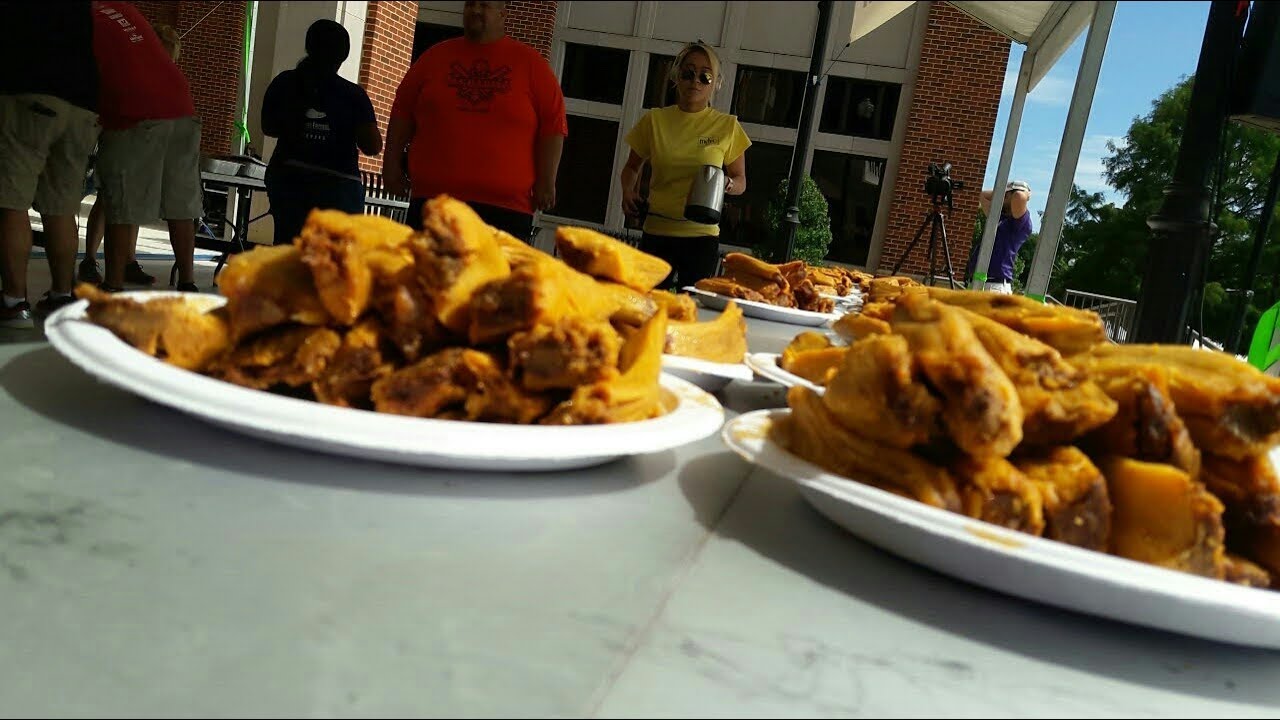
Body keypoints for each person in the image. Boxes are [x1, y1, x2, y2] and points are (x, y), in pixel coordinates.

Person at [384, 0, 566, 241]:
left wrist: (547, 180)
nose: (475, 11)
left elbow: (553, 126)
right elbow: (402, 114)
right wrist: (390, 165)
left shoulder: (532, 65)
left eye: (484, 5)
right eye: (470, 4)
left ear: (502, 14)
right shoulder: (434, 58)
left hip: (505, 209)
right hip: (435, 201)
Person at [619, 41, 750, 290]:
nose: (695, 81)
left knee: (694, 307)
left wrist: (726, 184)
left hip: (701, 235)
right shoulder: (654, 120)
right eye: (688, 73)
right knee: (648, 304)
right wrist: (628, 191)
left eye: (705, 76)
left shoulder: (727, 126)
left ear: (716, 83)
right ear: (676, 76)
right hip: (656, 231)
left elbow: (741, 181)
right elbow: (631, 168)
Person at [0, 1, 100, 327]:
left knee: (10, 201)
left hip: (31, 90)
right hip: (83, 105)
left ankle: (13, 302)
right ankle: (61, 296)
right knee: (61, 207)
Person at [91, 0, 202, 293]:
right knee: (180, 204)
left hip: (137, 112)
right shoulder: (123, 9)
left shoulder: (80, 19)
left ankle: (113, 284)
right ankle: (187, 282)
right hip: (182, 108)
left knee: (120, 200)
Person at [79, 23, 184, 286]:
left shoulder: (161, 77)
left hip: (144, 145)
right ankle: (90, 259)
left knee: (132, 203)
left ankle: (128, 260)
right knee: (107, 199)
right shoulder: (128, 69)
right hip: (120, 138)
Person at [262, 19, 381, 246]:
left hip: (288, 180)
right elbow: (372, 146)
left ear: (309, 46)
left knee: (289, 251)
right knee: (334, 259)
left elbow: (268, 127)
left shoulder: (284, 84)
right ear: (343, 55)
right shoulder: (353, 95)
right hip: (339, 188)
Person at [978, 179, 1033, 295]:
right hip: (981, 281)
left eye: (1007, 195)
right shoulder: (1000, 217)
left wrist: (1024, 193)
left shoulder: (1021, 221)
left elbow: (1018, 196)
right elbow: (982, 195)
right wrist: (1002, 192)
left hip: (995, 286)